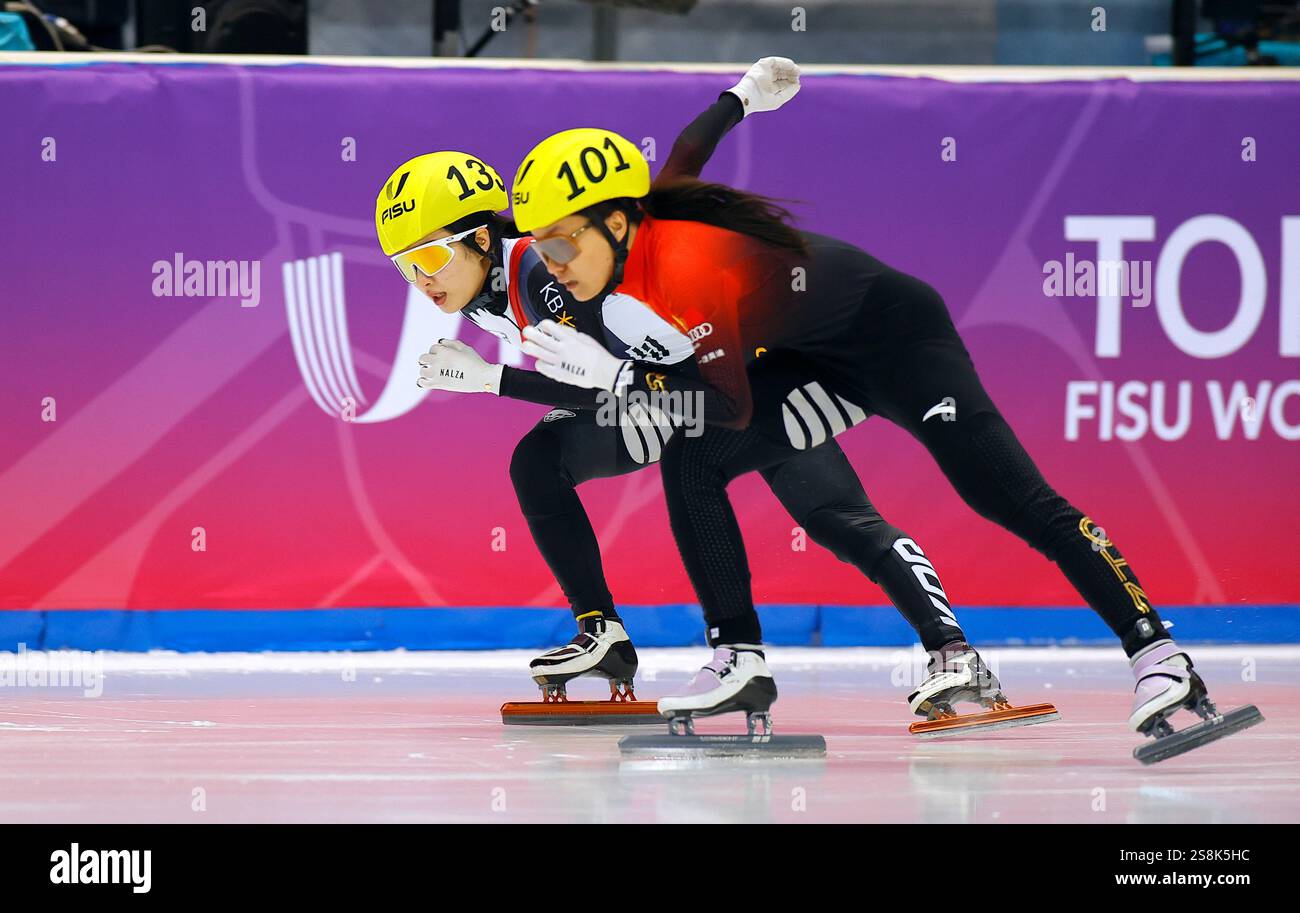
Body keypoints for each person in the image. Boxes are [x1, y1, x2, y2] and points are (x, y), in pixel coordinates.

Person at [511, 125, 1229, 745]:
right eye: (543, 248)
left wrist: (621, 383)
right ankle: (738, 659)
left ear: (616, 223)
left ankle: (1159, 656)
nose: (556, 264)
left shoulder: (685, 263)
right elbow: (688, 151)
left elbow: (726, 402)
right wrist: (742, 96)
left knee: (1013, 499)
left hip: (899, 339)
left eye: (565, 242)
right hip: (814, 362)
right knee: (692, 462)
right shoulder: (629, 254)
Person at [376, 60, 999, 720]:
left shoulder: (544, 274)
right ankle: (611, 634)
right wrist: (740, 99)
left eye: (431, 259)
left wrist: (493, 380)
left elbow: (611, 389)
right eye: (405, 267)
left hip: (727, 386)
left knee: (835, 517)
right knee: (544, 460)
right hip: (685, 391)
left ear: (480, 237)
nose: (423, 280)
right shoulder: (485, 289)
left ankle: (949, 653)